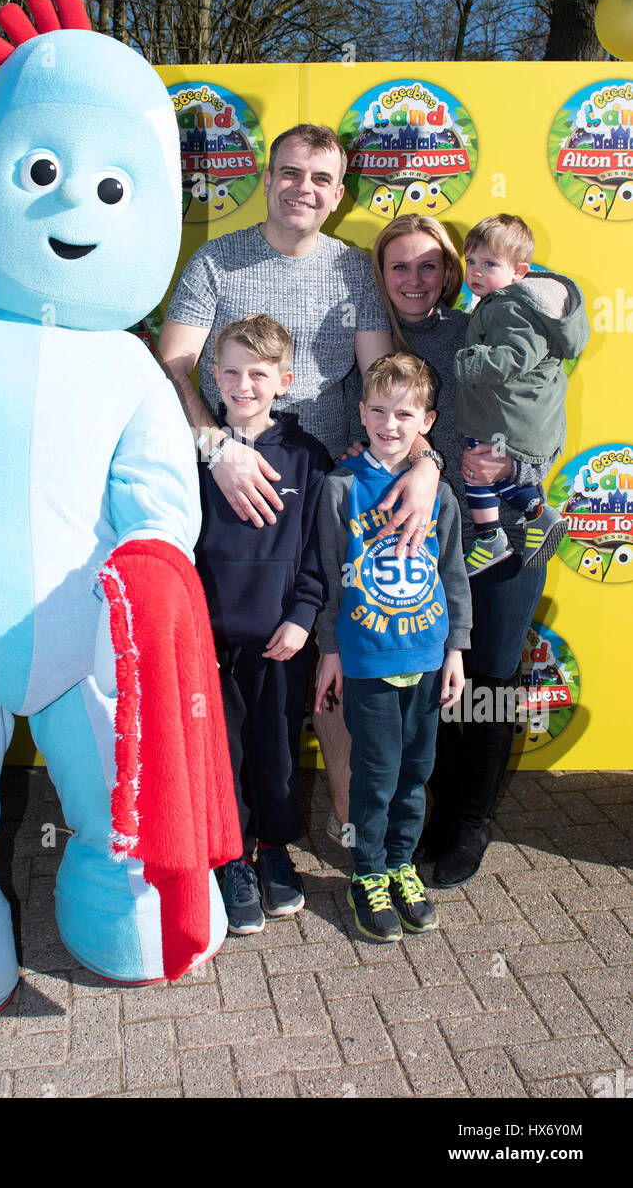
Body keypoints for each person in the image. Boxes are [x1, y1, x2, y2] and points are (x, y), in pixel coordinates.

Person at [159, 124, 446, 823]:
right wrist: (213, 447)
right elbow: (169, 362)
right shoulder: (216, 262)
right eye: (290, 173)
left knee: (338, 669)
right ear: (267, 177)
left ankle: (358, 847)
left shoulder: (353, 270)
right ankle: (235, 842)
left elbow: (386, 383)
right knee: (233, 685)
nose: (303, 189)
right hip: (233, 493)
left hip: (333, 495)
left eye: (319, 179)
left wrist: (425, 462)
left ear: (339, 193)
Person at [339, 214, 560, 887]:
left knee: (489, 682)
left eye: (428, 266)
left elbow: (540, 412)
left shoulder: (482, 331)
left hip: (502, 538)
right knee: (431, 685)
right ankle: (427, 816)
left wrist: (468, 463)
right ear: (380, 274)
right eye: (399, 266)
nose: (414, 279)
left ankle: (468, 822)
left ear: (453, 272)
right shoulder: (366, 357)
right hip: (413, 554)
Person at [314, 353, 470, 941]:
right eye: (378, 410)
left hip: (427, 656)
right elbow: (329, 576)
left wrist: (455, 650)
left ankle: (403, 866)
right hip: (367, 658)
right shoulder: (340, 488)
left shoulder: (442, 495)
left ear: (427, 420)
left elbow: (452, 572)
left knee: (415, 771)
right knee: (375, 774)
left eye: (404, 412)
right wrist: (330, 650)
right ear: (360, 412)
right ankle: (368, 873)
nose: (390, 423)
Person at [196, 315, 330, 935]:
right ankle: (231, 857)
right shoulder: (190, 452)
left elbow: (319, 553)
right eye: (230, 372)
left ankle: (274, 851)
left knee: (276, 755)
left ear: (284, 381)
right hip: (208, 640)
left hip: (282, 640)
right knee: (221, 754)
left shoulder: (307, 457)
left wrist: (303, 618)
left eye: (258, 374)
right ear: (213, 376)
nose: (242, 385)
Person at [454, 215, 589, 576]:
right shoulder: (503, 303)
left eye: (489, 264)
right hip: (509, 417)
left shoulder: (510, 307)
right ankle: (536, 513)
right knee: (488, 474)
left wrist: (469, 362)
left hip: (505, 421)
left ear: (519, 271)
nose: (476, 272)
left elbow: (515, 356)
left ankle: (489, 538)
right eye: (471, 262)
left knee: (475, 471)